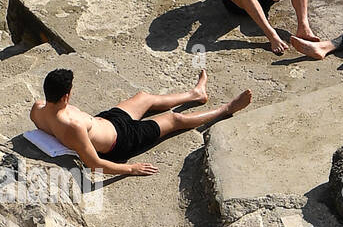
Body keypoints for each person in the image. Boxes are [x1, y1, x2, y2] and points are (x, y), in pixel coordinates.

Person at [28, 68, 251, 178]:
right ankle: (226, 109)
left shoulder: (37, 109)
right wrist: (131, 168)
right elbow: (94, 164)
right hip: (122, 140)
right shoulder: (72, 127)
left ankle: (195, 94)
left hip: (106, 120)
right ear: (66, 96)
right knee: (175, 119)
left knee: (144, 97)